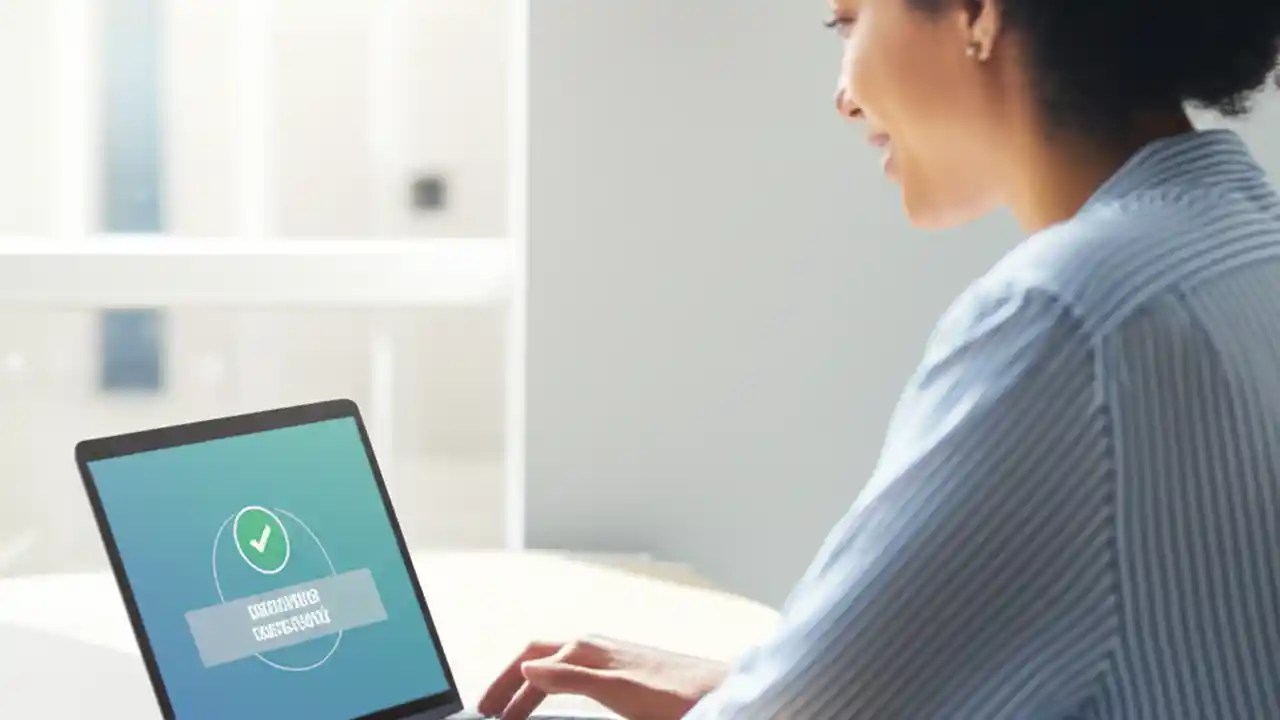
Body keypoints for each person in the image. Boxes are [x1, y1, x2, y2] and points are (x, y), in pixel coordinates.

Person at [482, 0, 1280, 716]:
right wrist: (769, 684)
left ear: (977, 14)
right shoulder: (1243, 247)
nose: (845, 94)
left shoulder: (1064, 320)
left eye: (850, 19)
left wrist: (769, 702)